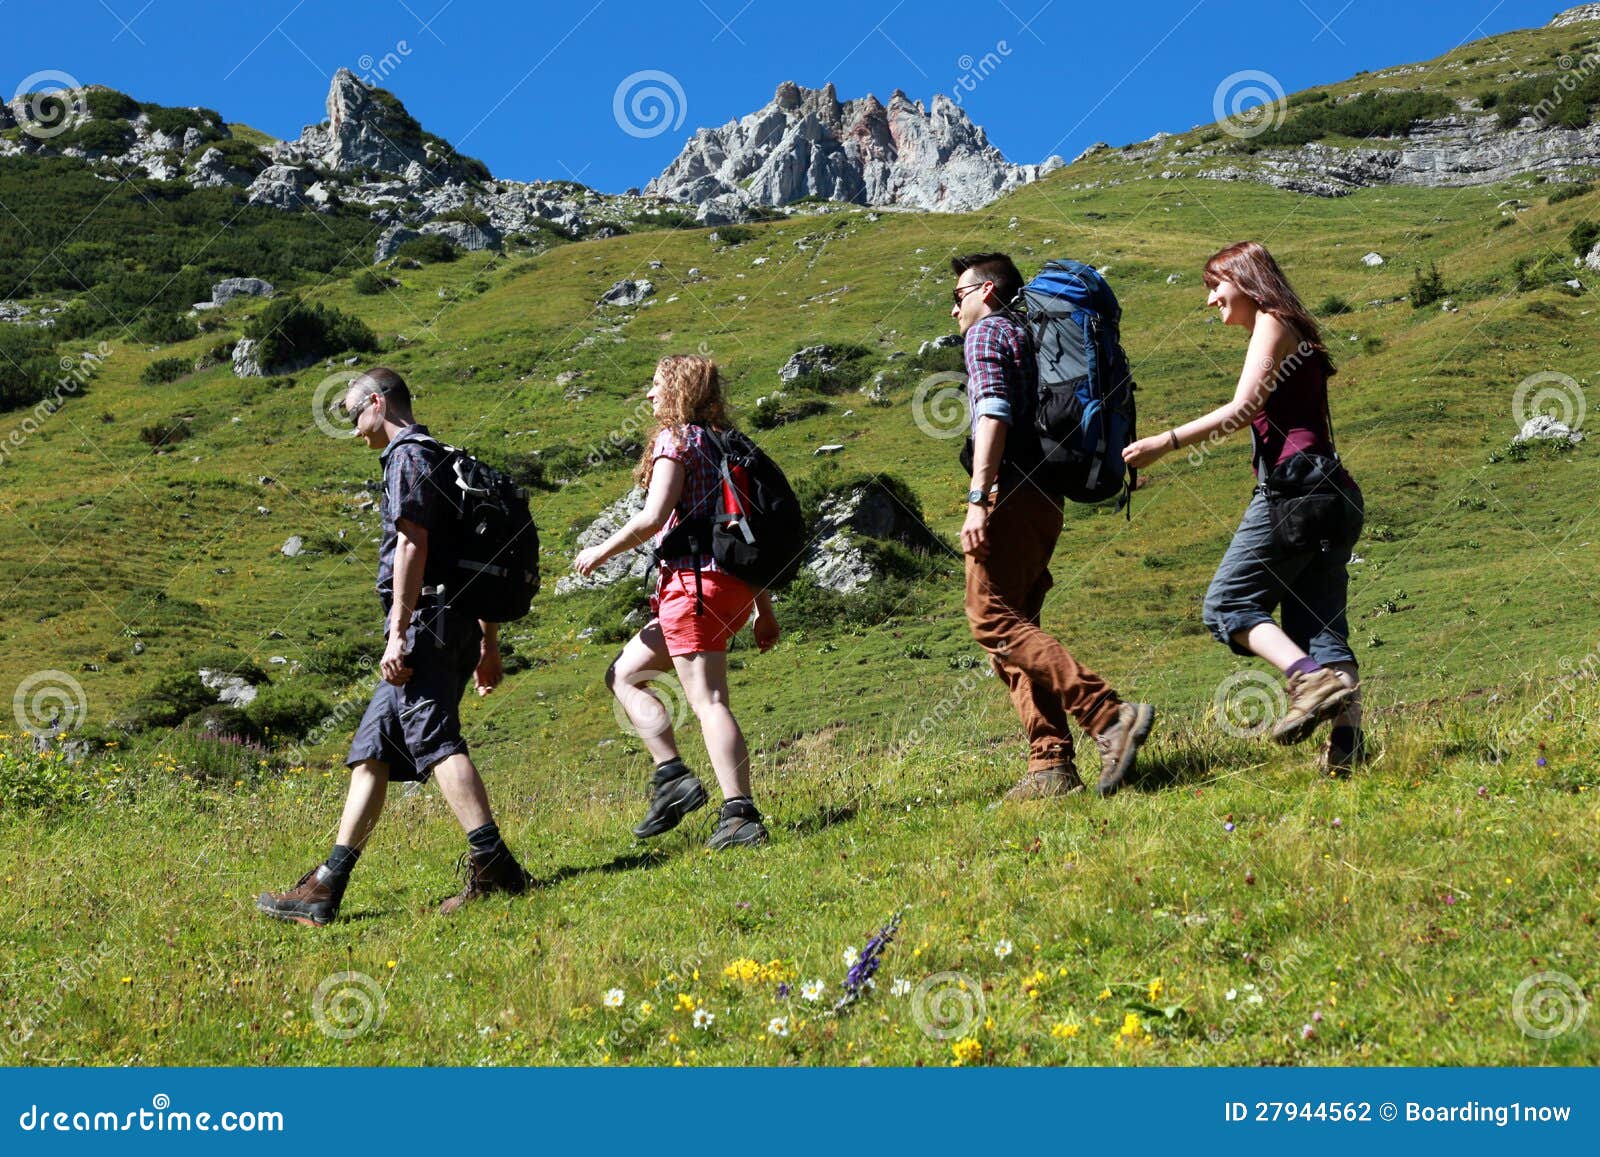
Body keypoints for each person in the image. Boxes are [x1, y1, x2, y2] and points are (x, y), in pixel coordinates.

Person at [256, 367, 531, 925]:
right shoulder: (445, 458)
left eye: (356, 416)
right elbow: (469, 560)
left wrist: (398, 633)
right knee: (374, 749)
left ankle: (495, 865)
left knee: (435, 739)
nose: (358, 432)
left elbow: (413, 545)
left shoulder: (408, 457)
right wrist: (488, 640)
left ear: (377, 403)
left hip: (424, 623)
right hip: (452, 621)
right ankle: (326, 886)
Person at [1122, 241, 1365, 772]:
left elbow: (1244, 407)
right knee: (1322, 628)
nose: (1211, 300)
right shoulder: (1294, 331)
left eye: (1216, 285)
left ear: (1247, 278)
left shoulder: (1273, 321)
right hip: (1332, 492)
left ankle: (1307, 679)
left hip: (1295, 491)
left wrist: (1164, 443)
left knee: (1226, 605)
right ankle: (1348, 754)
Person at [948, 253, 1155, 800]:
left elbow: (992, 412)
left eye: (959, 295)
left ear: (987, 290)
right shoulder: (1029, 335)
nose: (954, 310)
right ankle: (1050, 765)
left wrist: (978, 496)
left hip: (1008, 491)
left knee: (991, 619)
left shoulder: (990, 331)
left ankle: (1108, 716)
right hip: (1044, 499)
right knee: (1016, 632)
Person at [573, 354, 780, 848]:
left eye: (657, 385)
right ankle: (672, 778)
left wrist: (599, 551)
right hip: (727, 586)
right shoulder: (725, 444)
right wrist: (764, 609)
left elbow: (653, 516)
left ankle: (739, 815)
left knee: (707, 700)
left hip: (693, 586)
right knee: (623, 674)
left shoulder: (678, 439)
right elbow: (746, 531)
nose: (649, 395)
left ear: (680, 390)